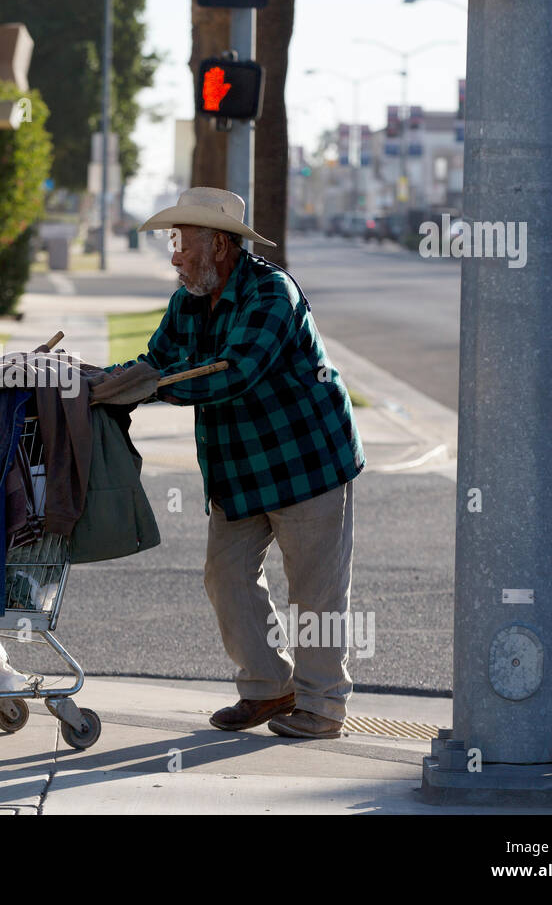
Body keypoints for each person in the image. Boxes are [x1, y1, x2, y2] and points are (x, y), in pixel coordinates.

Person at [107, 187, 365, 739]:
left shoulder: (272, 292)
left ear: (219, 245)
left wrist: (151, 388)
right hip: (239, 468)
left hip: (307, 461)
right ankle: (270, 687)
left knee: (314, 593)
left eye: (181, 241)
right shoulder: (186, 302)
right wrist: (103, 385)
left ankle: (323, 707)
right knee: (225, 577)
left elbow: (237, 372)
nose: (173, 254)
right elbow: (155, 361)